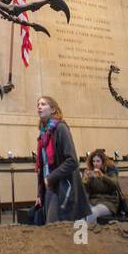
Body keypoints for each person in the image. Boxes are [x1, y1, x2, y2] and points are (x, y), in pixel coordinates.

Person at [34, 95, 91, 225]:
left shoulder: (61, 128)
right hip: (51, 187)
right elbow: (43, 166)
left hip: (64, 186)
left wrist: (51, 178)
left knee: (57, 227)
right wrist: (39, 193)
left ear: (53, 109)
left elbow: (72, 161)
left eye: (43, 104)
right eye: (38, 104)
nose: (39, 107)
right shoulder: (43, 134)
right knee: (53, 229)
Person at [81, 149, 128, 225]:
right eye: (93, 161)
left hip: (108, 202)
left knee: (92, 212)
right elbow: (85, 191)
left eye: (98, 161)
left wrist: (102, 176)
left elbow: (114, 184)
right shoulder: (90, 172)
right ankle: (82, 234)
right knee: (81, 212)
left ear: (103, 162)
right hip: (93, 201)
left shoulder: (111, 171)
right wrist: (85, 180)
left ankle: (89, 234)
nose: (95, 164)